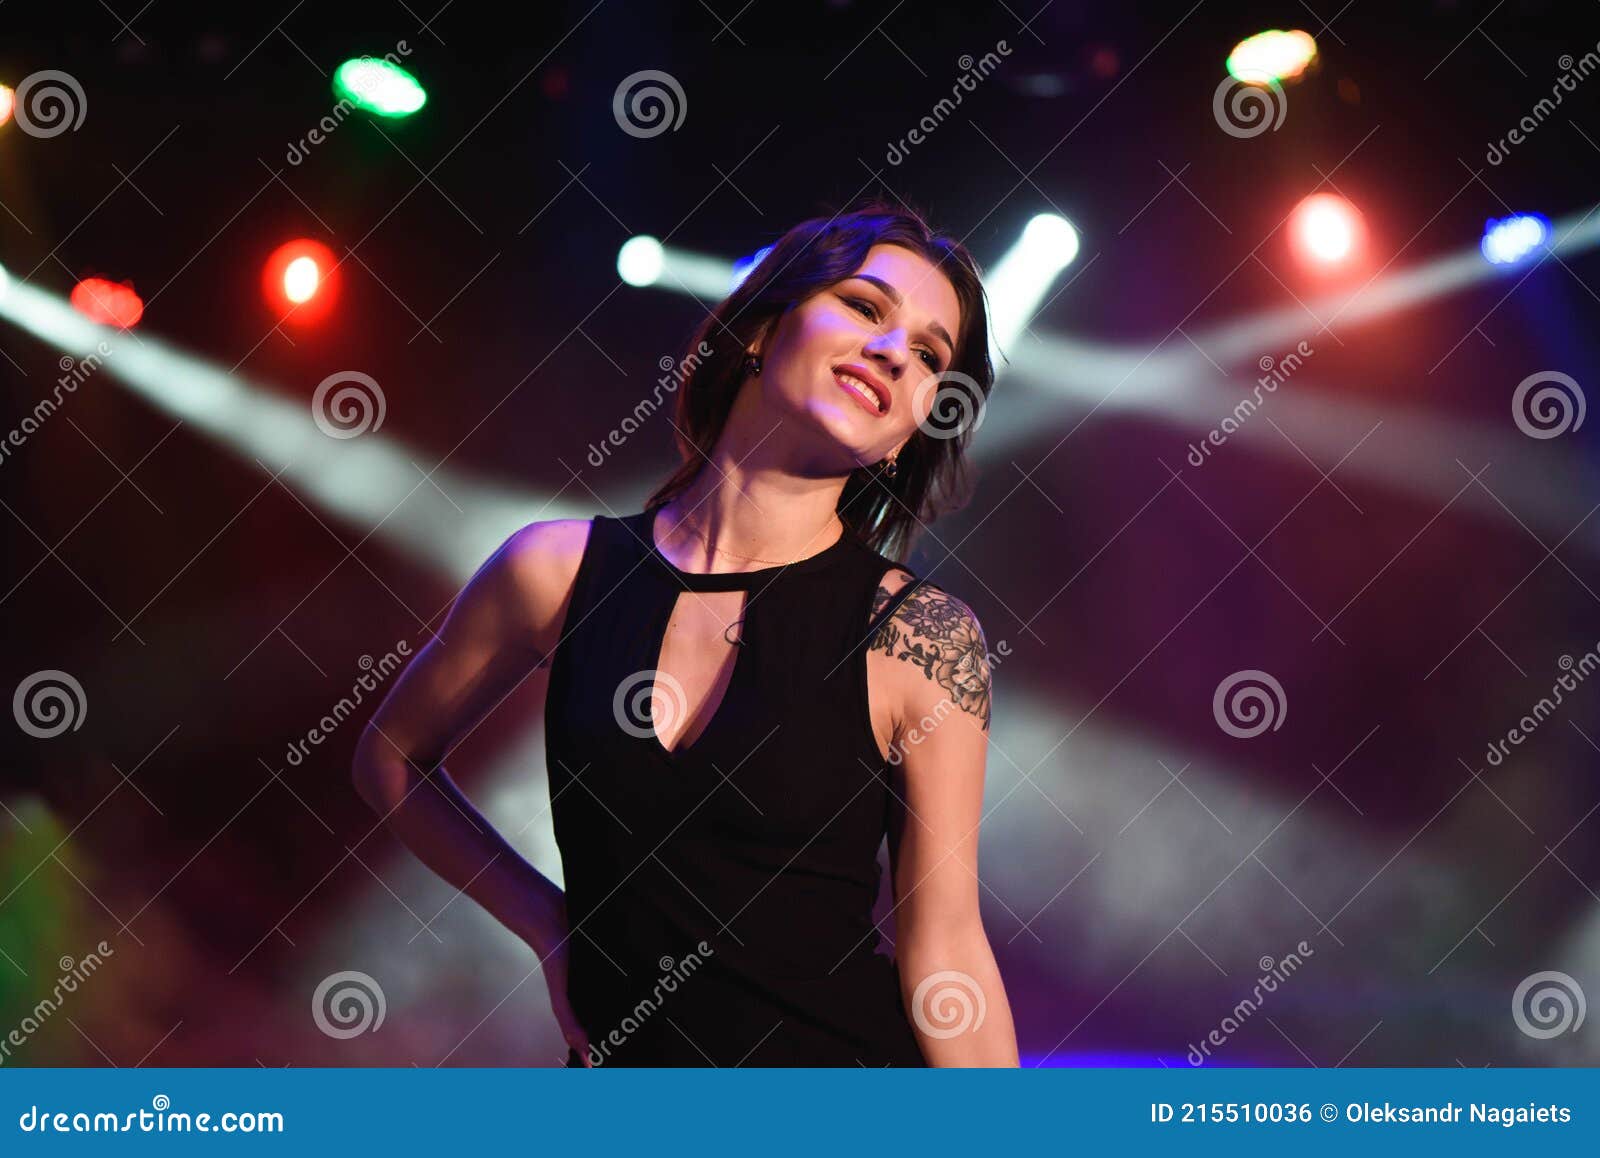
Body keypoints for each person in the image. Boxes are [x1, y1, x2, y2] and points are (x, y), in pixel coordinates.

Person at [351, 201, 1019, 1067]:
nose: (897, 351)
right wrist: (551, 926)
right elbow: (391, 758)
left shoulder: (918, 636)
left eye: (930, 356)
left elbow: (948, 948)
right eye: (865, 306)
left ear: (906, 435)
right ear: (761, 330)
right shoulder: (553, 572)